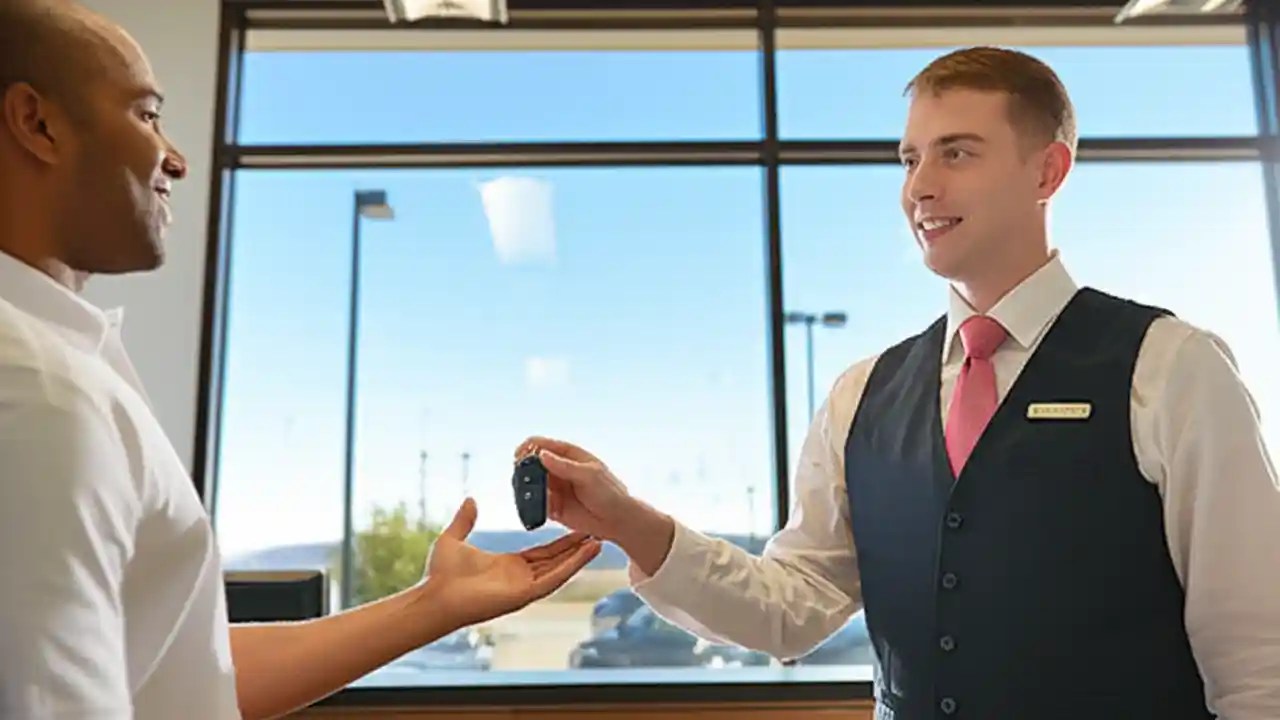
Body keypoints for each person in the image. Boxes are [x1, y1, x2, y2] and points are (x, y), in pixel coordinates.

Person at [517, 46, 1280, 719]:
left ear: (1048, 170)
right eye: (909, 158)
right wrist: (626, 521)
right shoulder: (861, 396)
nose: (920, 187)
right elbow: (790, 609)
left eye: (956, 153)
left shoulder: (1171, 368)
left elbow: (1258, 662)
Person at [0, 2, 602, 719]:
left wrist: (436, 605)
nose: (176, 157)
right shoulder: (35, 387)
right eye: (146, 114)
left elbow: (181, 682)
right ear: (37, 123)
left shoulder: (63, 363)